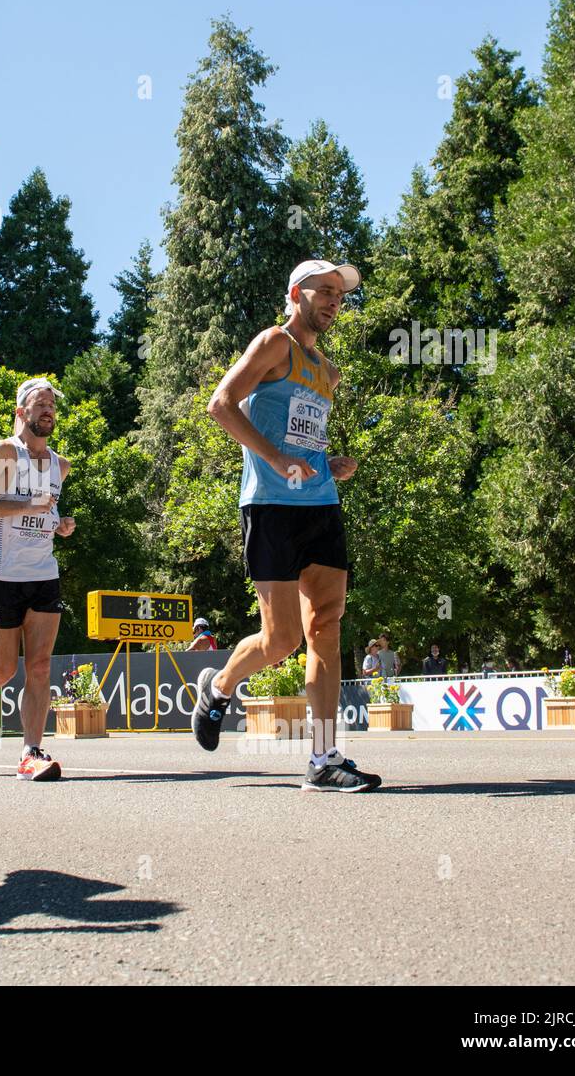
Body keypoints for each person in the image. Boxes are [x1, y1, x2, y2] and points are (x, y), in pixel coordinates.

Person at [192, 260, 381, 792]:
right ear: (295, 294)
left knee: (327, 625)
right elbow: (221, 405)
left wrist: (330, 462)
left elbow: (306, 440)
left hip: (319, 502)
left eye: (339, 296)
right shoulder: (275, 343)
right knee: (281, 640)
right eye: (324, 291)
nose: (333, 302)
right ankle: (220, 686)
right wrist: (275, 460)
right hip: (270, 505)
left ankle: (323, 759)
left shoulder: (328, 370)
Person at [0, 377, 76, 781]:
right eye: (40, 404)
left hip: (44, 572)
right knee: (3, 670)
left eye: (52, 406)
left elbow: (45, 513)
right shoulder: (7, 453)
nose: (48, 411)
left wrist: (59, 524)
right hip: (3, 573)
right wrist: (28, 502)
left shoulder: (60, 465)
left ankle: (31, 751)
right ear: (21, 413)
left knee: (40, 666)